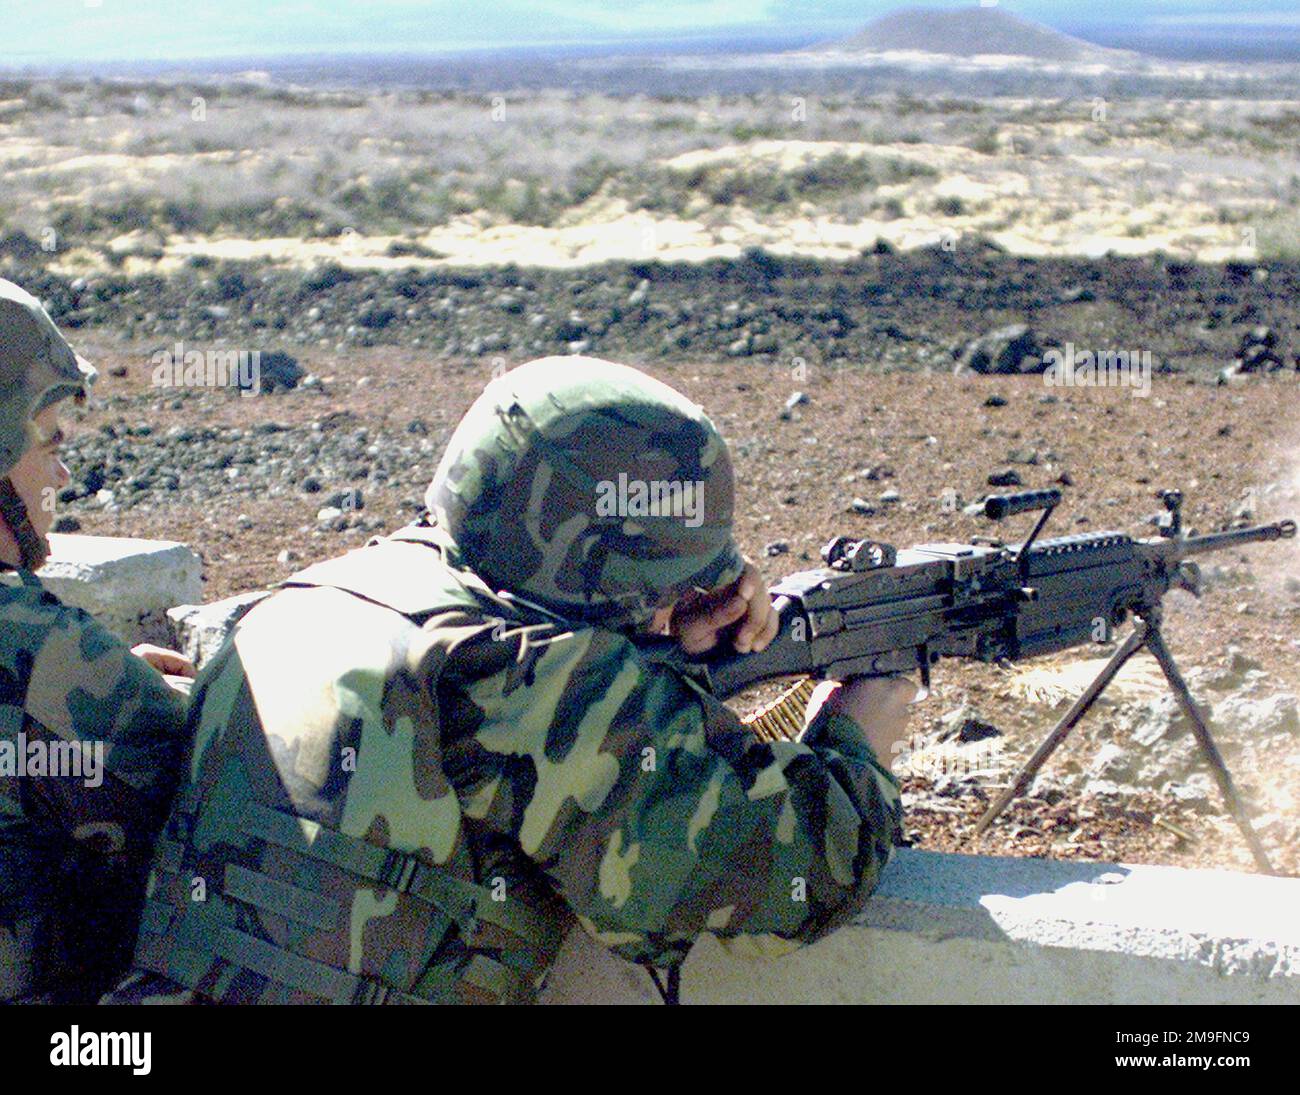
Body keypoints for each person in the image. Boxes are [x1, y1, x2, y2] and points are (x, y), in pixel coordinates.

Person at [105, 355, 914, 1005]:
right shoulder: (536, 672)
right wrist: (856, 728)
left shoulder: (306, 602)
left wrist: (675, 651)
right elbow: (790, 875)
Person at [0, 278, 194, 1003]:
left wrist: (101, 677)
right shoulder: (35, 647)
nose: (62, 472)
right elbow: (195, 784)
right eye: (48, 441)